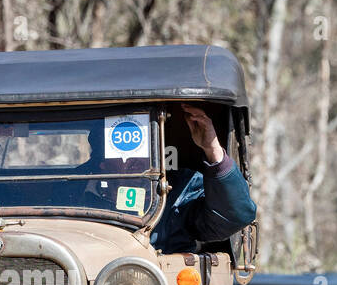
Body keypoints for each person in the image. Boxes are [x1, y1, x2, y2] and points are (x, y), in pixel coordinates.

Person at [83, 104, 256, 251]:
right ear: (103, 163)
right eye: (122, 152)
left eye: (143, 150)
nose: (138, 161)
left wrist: (213, 150)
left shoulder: (179, 189)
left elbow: (236, 217)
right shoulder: (74, 194)